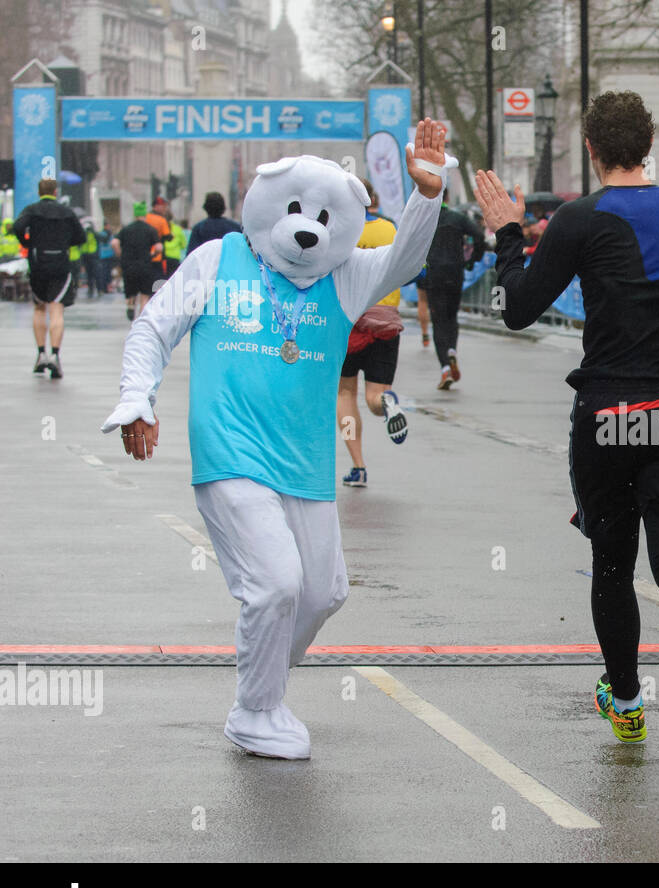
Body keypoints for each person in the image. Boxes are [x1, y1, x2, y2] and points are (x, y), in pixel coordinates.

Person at [103, 120, 450, 760]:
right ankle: (256, 710)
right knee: (275, 584)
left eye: (321, 216)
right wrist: (136, 399)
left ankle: (262, 682)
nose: (306, 228)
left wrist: (425, 196)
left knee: (323, 592)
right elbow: (154, 328)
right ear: (265, 204)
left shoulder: (343, 277)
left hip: (304, 463)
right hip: (230, 455)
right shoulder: (218, 260)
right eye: (294, 211)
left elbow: (404, 259)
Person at [472, 90, 659, 744]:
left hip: (608, 412)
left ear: (591, 148)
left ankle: (628, 702)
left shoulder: (580, 219)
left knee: (613, 565)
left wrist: (508, 235)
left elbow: (518, 308)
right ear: (649, 142)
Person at [337, 180, 411, 487]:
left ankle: (359, 466)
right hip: (385, 319)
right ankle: (388, 403)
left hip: (348, 320)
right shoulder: (390, 229)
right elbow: (412, 267)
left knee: (345, 393)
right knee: (375, 395)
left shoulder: (340, 233)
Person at [13, 178, 86, 379]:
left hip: (38, 264)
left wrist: (27, 243)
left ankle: (40, 354)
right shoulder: (67, 212)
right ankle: (55, 355)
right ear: (55, 192)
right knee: (56, 309)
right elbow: (81, 237)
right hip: (60, 264)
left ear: (39, 192)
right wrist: (65, 242)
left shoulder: (31, 210)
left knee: (39, 308)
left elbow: (18, 227)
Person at [415, 194, 485, 387]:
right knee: (452, 317)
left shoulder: (424, 219)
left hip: (434, 272)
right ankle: (452, 350)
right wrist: (472, 259)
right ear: (446, 196)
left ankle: (445, 368)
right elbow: (479, 235)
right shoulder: (457, 218)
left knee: (438, 320)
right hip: (455, 271)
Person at [112, 203, 163, 323]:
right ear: (144, 215)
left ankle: (130, 305)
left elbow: (114, 243)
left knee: (131, 291)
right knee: (145, 294)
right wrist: (153, 255)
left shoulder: (126, 229)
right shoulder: (150, 230)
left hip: (128, 265)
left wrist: (120, 255)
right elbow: (159, 247)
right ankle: (141, 320)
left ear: (135, 215)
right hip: (145, 264)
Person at [145, 198, 172, 280]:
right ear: (156, 206)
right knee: (158, 281)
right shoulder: (162, 220)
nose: (165, 208)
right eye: (163, 206)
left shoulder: (145, 217)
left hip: (145, 255)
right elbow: (168, 236)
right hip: (158, 255)